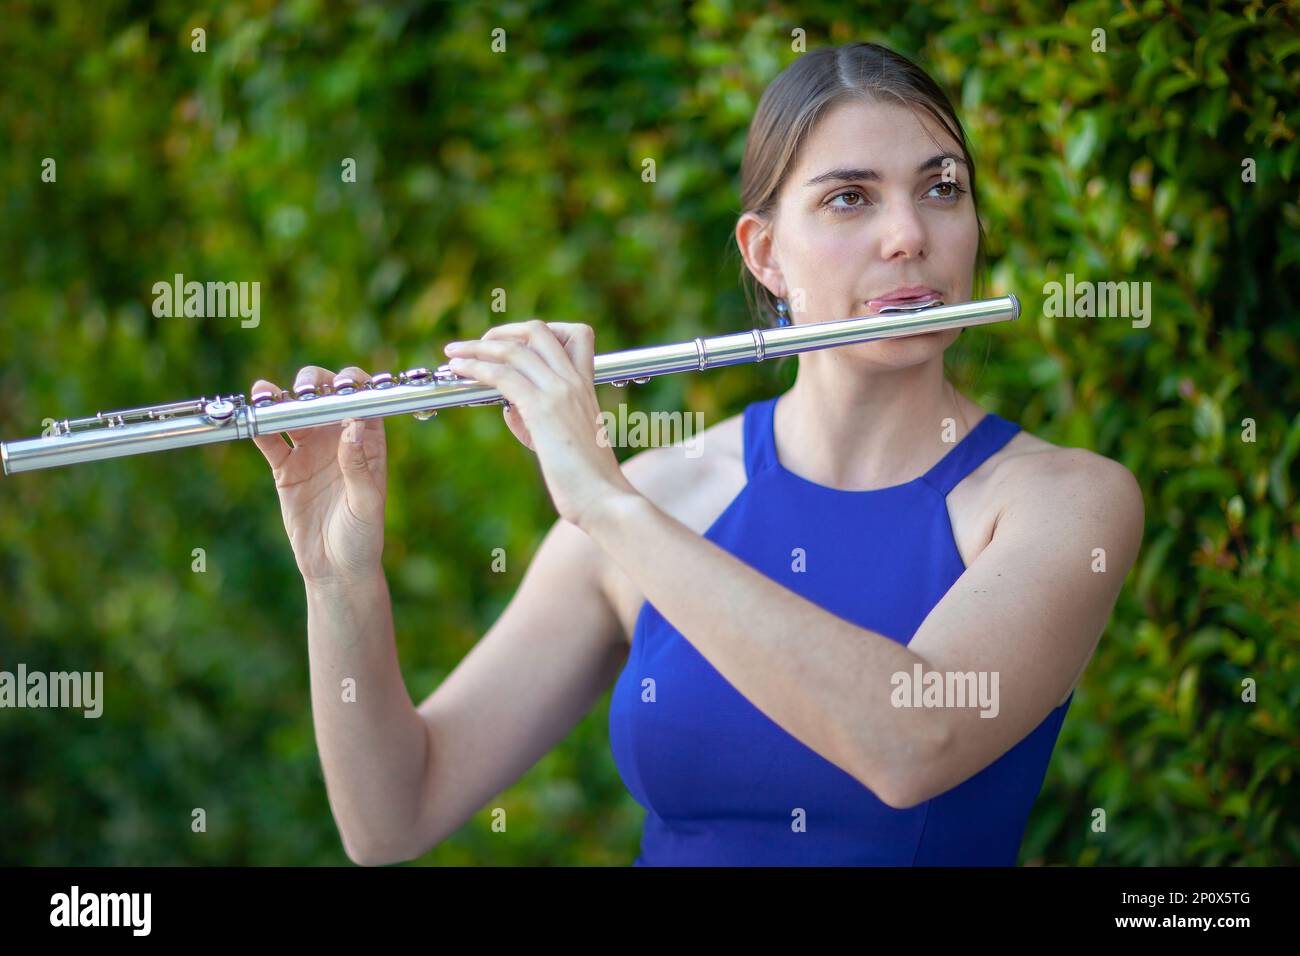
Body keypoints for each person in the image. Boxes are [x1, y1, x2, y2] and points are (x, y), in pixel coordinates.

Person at [250, 42, 1144, 866]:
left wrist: (603, 502)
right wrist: (340, 580)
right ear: (766, 256)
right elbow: (391, 816)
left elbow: (912, 741)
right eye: (850, 197)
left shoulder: (1061, 502)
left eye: (942, 189)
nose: (908, 234)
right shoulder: (666, 493)